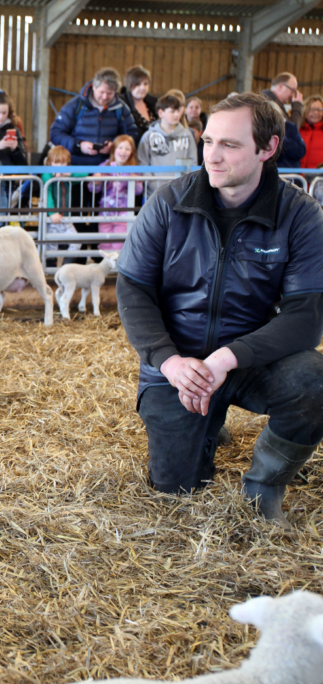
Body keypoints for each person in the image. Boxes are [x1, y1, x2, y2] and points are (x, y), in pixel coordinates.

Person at [116, 92, 323, 528]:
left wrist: (228, 358)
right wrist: (168, 361)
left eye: (229, 144)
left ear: (267, 148)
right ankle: (206, 424)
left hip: (249, 359)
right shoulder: (168, 204)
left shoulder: (300, 216)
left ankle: (265, 485)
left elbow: (306, 316)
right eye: (208, 141)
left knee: (315, 382)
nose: (212, 155)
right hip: (179, 364)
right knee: (177, 490)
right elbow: (133, 288)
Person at [49, 67, 138, 166]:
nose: (105, 97)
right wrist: (79, 145)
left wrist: (115, 146)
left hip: (108, 169)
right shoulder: (74, 106)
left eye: (110, 93)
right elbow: (56, 133)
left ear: (115, 92)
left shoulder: (121, 108)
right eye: (102, 92)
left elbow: (132, 134)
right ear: (94, 87)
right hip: (76, 168)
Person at [136, 94, 197, 200]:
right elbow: (142, 162)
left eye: (178, 111)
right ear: (161, 113)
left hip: (181, 192)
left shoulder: (187, 135)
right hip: (154, 194)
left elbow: (193, 161)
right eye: (172, 111)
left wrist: (185, 185)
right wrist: (153, 184)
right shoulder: (148, 136)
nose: (176, 114)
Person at [87, 135, 142, 250]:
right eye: (120, 147)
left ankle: (117, 263)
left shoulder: (133, 169)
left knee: (119, 245)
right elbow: (92, 188)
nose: (123, 151)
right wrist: (96, 182)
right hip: (105, 213)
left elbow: (139, 191)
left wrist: (135, 182)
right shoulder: (104, 166)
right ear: (114, 150)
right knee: (104, 244)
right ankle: (107, 262)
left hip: (124, 214)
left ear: (132, 152)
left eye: (127, 149)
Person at [40, 145, 86, 265]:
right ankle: (49, 271)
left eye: (63, 163)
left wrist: (69, 174)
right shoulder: (47, 176)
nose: (59, 166)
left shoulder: (67, 175)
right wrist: (52, 213)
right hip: (51, 219)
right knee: (51, 247)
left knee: (76, 241)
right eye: (56, 163)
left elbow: (85, 173)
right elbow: (47, 195)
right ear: (49, 163)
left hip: (65, 218)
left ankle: (66, 268)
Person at [0, 90, 27, 166]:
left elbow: (24, 164)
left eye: (4, 113)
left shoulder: (15, 130)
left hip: (10, 173)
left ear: (8, 111)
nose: (1, 117)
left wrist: (15, 150)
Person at [119, 65, 158, 145]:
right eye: (138, 84)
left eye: (145, 84)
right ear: (129, 85)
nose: (142, 87)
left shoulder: (154, 104)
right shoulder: (121, 105)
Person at [300, 95, 323, 169]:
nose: (316, 113)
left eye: (320, 109)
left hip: (319, 175)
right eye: (312, 109)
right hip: (297, 174)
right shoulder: (297, 130)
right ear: (305, 110)